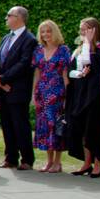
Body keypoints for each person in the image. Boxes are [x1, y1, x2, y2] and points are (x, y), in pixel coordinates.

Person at [65, 17, 100, 178]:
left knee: (94, 129)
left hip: (95, 96)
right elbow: (70, 70)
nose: (83, 32)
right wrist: (78, 73)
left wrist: (89, 43)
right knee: (81, 128)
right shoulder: (78, 50)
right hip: (79, 94)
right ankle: (86, 162)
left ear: (94, 30)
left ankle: (97, 164)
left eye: (86, 29)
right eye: (81, 29)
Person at [0, 5, 38, 171]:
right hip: (2, 88)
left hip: (16, 89)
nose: (6, 18)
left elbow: (24, 64)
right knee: (7, 124)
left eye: (9, 15)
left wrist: (5, 78)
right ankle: (10, 158)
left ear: (20, 18)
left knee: (20, 124)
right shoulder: (6, 38)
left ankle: (27, 159)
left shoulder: (29, 39)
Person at [30, 20, 70, 173]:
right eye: (43, 31)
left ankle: (58, 163)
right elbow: (37, 73)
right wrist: (34, 94)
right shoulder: (38, 50)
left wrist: (68, 97)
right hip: (42, 93)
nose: (45, 34)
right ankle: (49, 161)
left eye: (48, 31)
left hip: (57, 93)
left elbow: (66, 75)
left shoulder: (63, 50)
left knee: (57, 126)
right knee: (45, 127)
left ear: (55, 32)